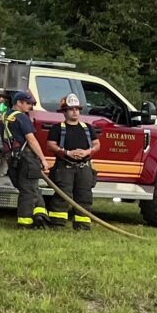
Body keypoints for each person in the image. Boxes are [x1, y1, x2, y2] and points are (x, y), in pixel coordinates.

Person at [47, 92, 97, 230]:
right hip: (64, 167)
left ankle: (82, 225)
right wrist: (67, 152)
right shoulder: (58, 128)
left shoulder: (87, 128)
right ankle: (57, 224)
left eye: (77, 109)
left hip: (84, 167)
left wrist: (87, 152)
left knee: (84, 196)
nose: (75, 112)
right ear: (64, 111)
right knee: (62, 196)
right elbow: (50, 144)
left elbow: (97, 144)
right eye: (71, 109)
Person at [4, 89, 49, 230]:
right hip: (26, 158)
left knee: (31, 188)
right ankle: (25, 223)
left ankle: (40, 216)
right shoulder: (22, 117)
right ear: (19, 103)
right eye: (28, 103)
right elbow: (32, 140)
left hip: (12, 158)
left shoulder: (5, 116)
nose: (30, 107)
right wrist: (43, 159)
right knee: (28, 191)